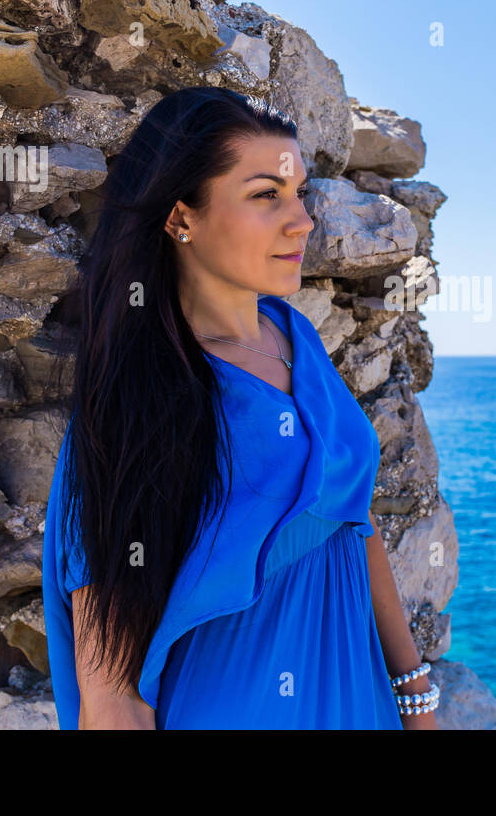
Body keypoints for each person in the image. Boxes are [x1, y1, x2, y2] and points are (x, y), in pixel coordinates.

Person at [40, 87, 439, 729]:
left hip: (356, 705)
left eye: (300, 193)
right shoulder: (135, 404)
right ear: (181, 220)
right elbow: (112, 695)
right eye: (265, 196)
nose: (302, 221)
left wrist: (414, 696)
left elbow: (351, 519)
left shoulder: (296, 337)